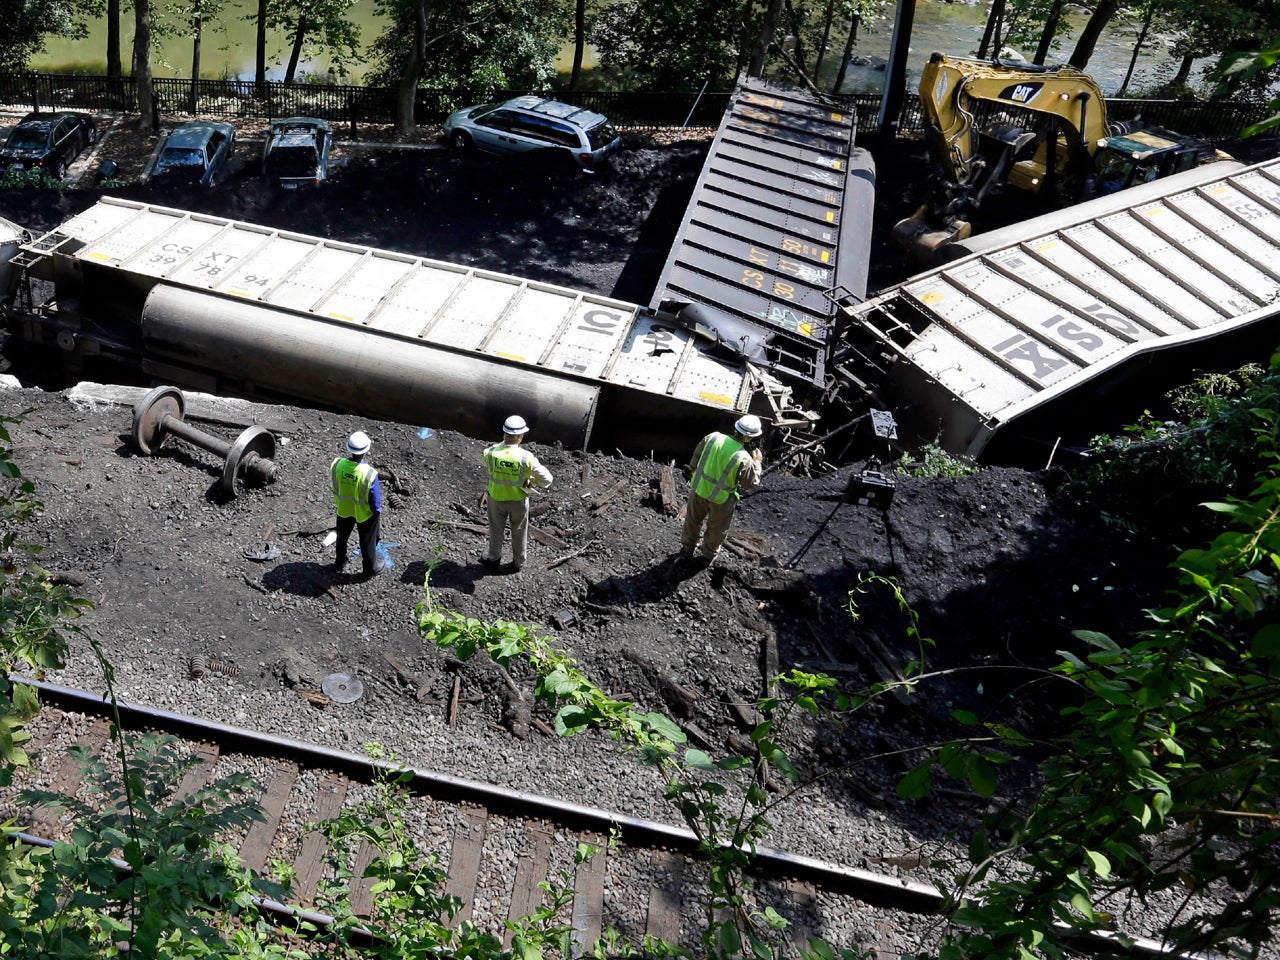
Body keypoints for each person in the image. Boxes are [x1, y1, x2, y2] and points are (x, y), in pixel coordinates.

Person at [681, 414, 764, 562]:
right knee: (717, 529)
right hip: (721, 499)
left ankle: (687, 548)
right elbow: (750, 483)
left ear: (736, 428)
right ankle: (707, 555)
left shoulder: (713, 437)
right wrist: (757, 463)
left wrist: (694, 472)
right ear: (749, 437)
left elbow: (696, 458)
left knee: (692, 520)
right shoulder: (744, 458)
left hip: (699, 488)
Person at [482, 415, 553, 571]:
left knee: (496, 530)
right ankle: (518, 562)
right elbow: (547, 479)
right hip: (518, 501)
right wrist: (533, 481)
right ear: (521, 437)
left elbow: (499, 450)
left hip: (496, 499)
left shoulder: (490, 453)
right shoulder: (526, 458)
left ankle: (493, 557)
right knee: (520, 531)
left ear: (504, 434)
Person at [330, 430, 385, 580]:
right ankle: (370, 569)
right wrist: (376, 512)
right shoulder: (369, 474)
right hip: (364, 514)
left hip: (343, 508)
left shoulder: (337, 464)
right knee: (367, 542)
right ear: (366, 451)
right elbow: (375, 501)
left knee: (341, 537)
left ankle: (339, 562)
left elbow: (335, 485)